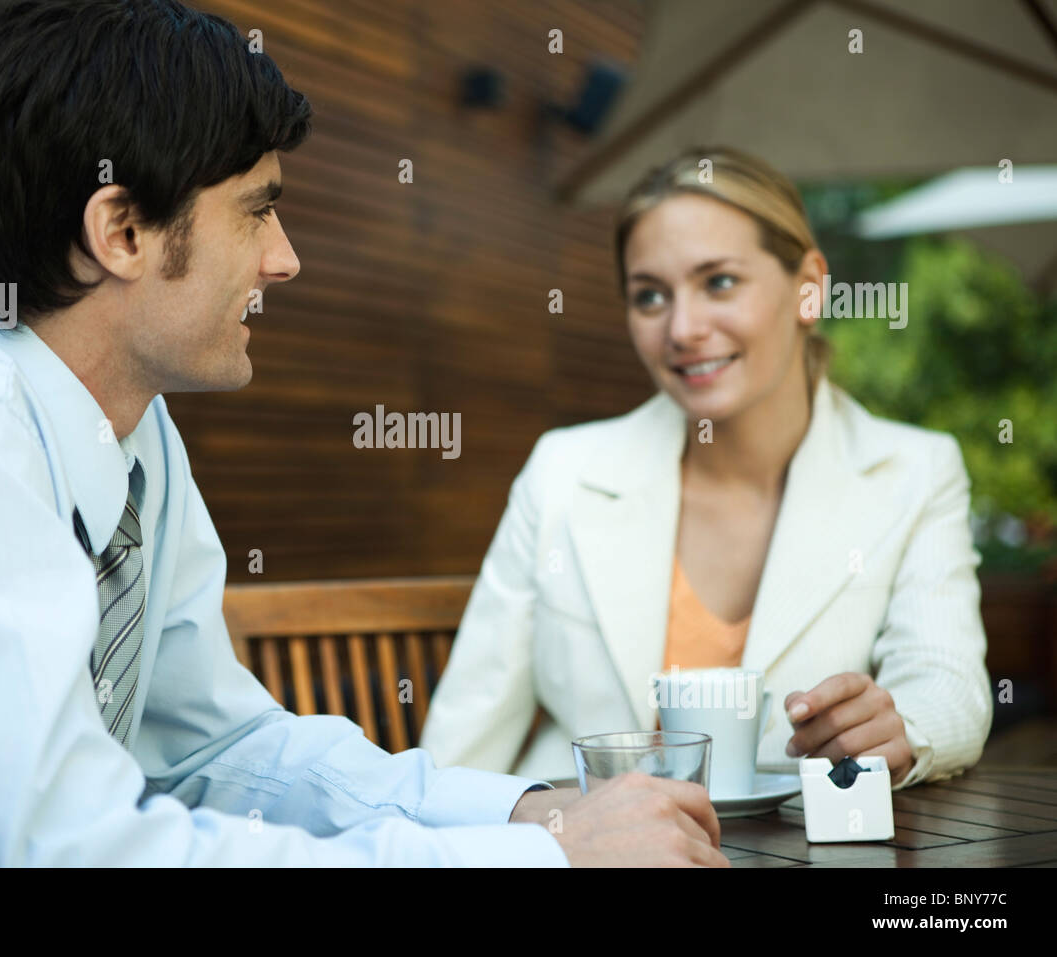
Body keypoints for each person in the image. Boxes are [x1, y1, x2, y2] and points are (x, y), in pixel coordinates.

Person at [0, 0, 727, 867]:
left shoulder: (127, 427)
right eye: (258, 210)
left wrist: (532, 817)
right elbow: (58, 851)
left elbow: (213, 752)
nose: (286, 259)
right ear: (121, 230)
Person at [421, 146, 992, 791]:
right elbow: (462, 741)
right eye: (650, 297)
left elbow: (948, 685)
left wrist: (901, 730)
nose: (683, 328)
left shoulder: (914, 471)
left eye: (718, 281)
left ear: (810, 287)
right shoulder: (564, 471)